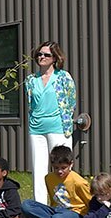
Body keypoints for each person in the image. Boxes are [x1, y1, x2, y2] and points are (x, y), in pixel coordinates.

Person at [25, 41, 77, 204]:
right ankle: (39, 209)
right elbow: (30, 104)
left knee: (62, 168)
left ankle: (64, 205)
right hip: (36, 130)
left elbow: (71, 101)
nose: (42, 57)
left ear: (54, 58)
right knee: (38, 171)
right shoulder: (31, 80)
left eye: (46, 55)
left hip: (58, 128)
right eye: (40, 54)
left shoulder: (63, 76)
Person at [20, 145, 92, 218]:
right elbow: (54, 200)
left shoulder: (79, 182)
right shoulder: (49, 178)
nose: (59, 171)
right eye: (56, 168)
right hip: (56, 210)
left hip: (74, 212)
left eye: (63, 167)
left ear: (71, 164)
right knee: (27, 205)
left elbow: (90, 202)